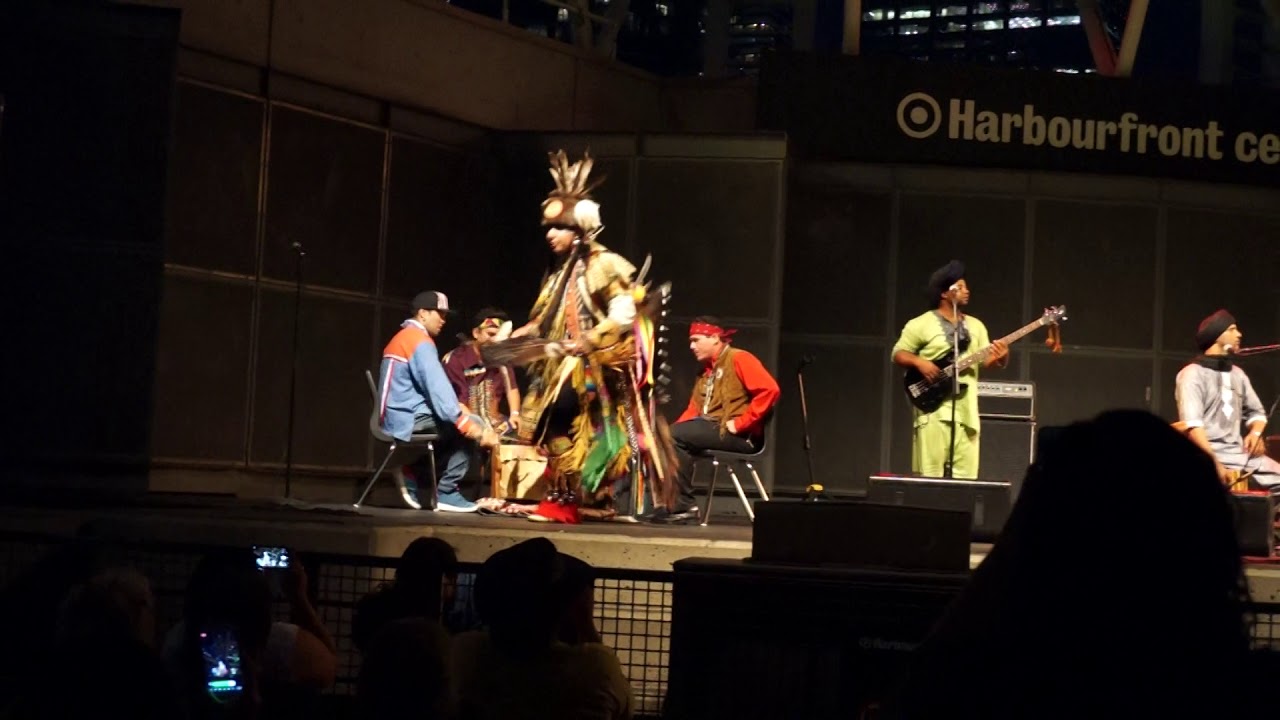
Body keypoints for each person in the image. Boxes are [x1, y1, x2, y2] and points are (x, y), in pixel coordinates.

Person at [503, 150, 673, 523]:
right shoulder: (558, 273)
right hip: (560, 363)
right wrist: (522, 335)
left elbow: (625, 310)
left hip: (592, 367)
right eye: (548, 228)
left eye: (559, 228)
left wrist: (592, 340)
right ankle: (583, 499)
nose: (550, 235)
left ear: (580, 230)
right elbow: (545, 317)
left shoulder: (603, 263)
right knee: (547, 428)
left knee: (567, 425)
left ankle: (569, 502)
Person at [647, 317, 780, 524]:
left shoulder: (739, 359)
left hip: (739, 435)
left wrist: (741, 423)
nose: (691, 346)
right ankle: (670, 504)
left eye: (696, 340)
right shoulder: (705, 371)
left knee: (673, 437)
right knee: (665, 438)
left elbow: (769, 390)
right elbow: (694, 411)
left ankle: (685, 507)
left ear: (715, 338)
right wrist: (667, 435)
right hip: (712, 428)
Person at [379, 291, 499, 512]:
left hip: (397, 412)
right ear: (423, 314)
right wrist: (469, 424)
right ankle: (446, 491)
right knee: (472, 424)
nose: (443, 321)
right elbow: (437, 388)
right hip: (405, 415)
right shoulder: (419, 341)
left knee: (455, 426)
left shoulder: (405, 336)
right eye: (440, 314)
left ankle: (413, 473)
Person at [891, 260, 1008, 479]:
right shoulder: (921, 323)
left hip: (967, 414)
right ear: (945, 293)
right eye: (960, 287)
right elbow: (898, 353)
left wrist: (1001, 358)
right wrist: (920, 362)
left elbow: (985, 362)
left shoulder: (976, 326)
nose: (967, 291)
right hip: (933, 410)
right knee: (931, 479)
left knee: (967, 482)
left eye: (966, 287)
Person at [1174, 309, 1280, 489]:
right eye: (1232, 329)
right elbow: (1193, 426)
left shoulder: (1238, 374)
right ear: (1216, 335)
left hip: (1239, 454)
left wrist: (1255, 433)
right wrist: (1214, 464)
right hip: (1208, 454)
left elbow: (1257, 413)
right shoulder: (1191, 374)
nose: (1239, 334)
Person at [443, 307, 522, 437]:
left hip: (495, 423)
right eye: (490, 334)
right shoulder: (456, 359)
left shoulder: (502, 358)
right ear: (476, 333)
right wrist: (479, 432)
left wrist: (515, 414)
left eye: (499, 336)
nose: (495, 340)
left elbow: (511, 388)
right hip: (465, 422)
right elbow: (457, 402)